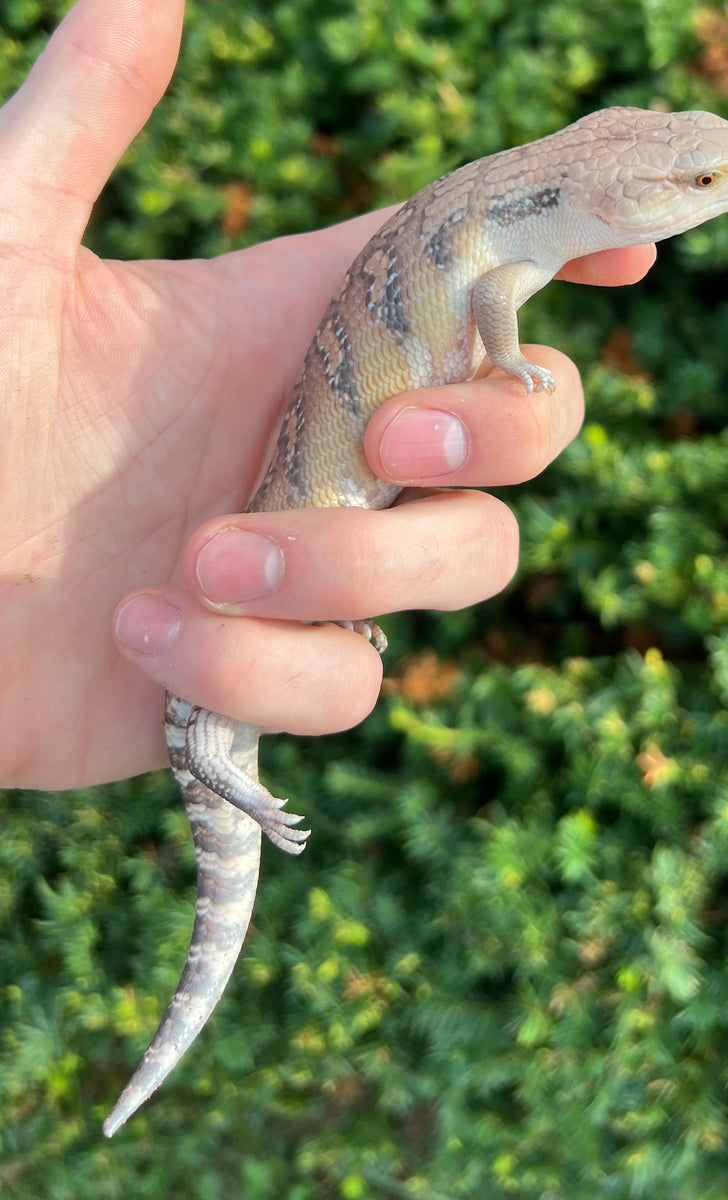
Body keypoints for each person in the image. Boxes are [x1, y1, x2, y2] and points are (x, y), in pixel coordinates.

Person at [0, 0, 654, 790]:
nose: (723, 188)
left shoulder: (515, 224)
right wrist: (509, 362)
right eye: (702, 184)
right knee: (267, 610)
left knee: (287, 583)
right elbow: (492, 304)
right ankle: (214, 762)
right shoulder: (514, 245)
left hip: (311, 489)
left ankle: (223, 757)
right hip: (322, 486)